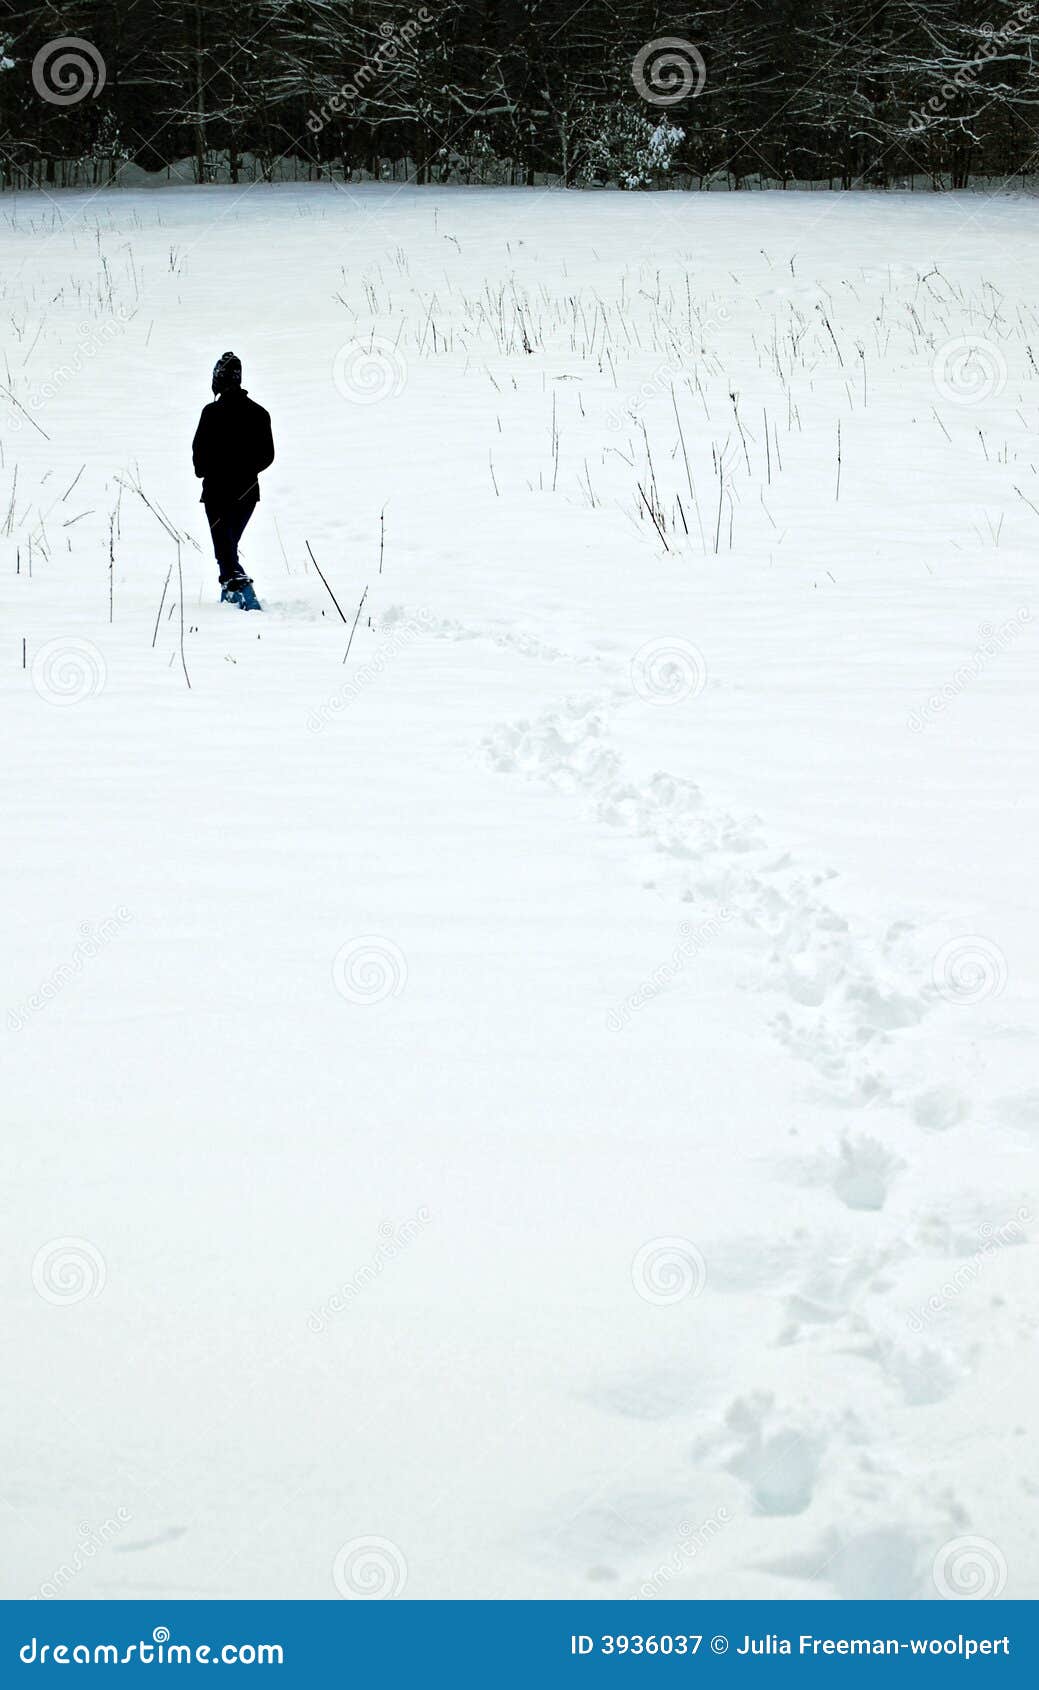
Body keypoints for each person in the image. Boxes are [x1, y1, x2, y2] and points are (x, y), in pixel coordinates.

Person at [192, 352, 274, 610]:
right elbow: (267, 456)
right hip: (247, 493)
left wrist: (212, 470)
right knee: (228, 545)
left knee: (224, 547)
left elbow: (199, 457)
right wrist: (246, 471)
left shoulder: (211, 413)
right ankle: (232, 592)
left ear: (217, 380)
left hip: (216, 493)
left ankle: (242, 590)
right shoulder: (259, 414)